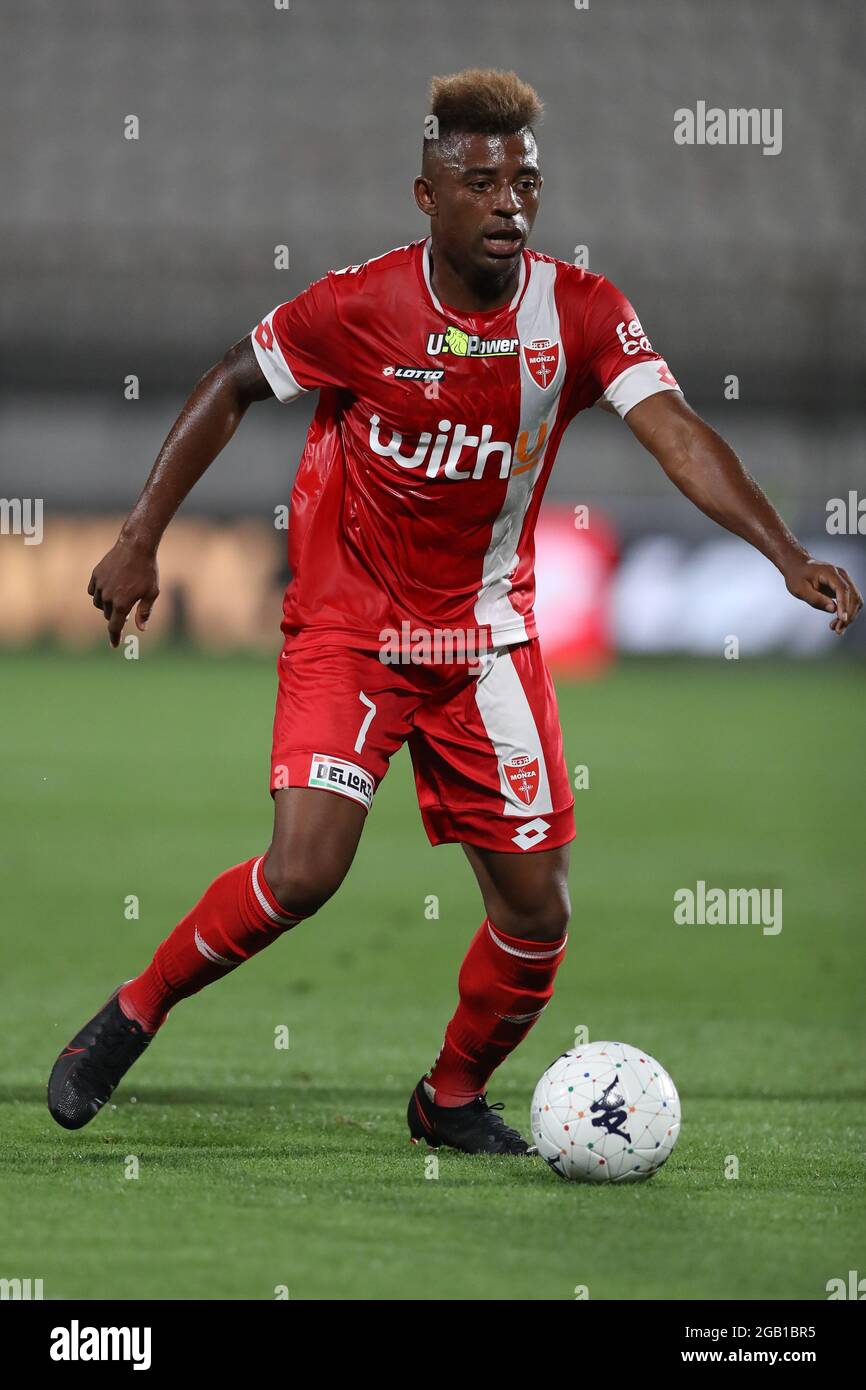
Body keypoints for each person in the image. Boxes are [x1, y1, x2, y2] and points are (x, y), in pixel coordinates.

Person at [48, 68, 861, 1154]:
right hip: (353, 632)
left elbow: (670, 427)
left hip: (485, 642)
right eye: (481, 183)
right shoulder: (358, 304)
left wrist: (780, 550)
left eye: (525, 181)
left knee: (536, 918)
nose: (510, 203)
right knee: (303, 871)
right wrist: (143, 531)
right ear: (428, 196)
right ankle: (136, 1009)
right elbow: (233, 380)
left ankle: (448, 1095)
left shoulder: (579, 311)